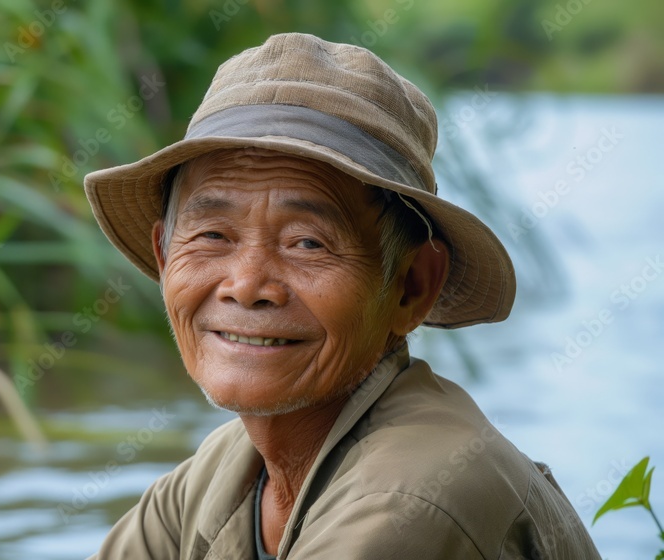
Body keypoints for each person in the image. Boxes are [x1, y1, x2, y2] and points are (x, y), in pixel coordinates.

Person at [82, 32, 600, 559]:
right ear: (166, 256)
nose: (247, 286)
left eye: (308, 243)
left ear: (412, 286)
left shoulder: (414, 496)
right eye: (213, 235)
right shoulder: (226, 472)